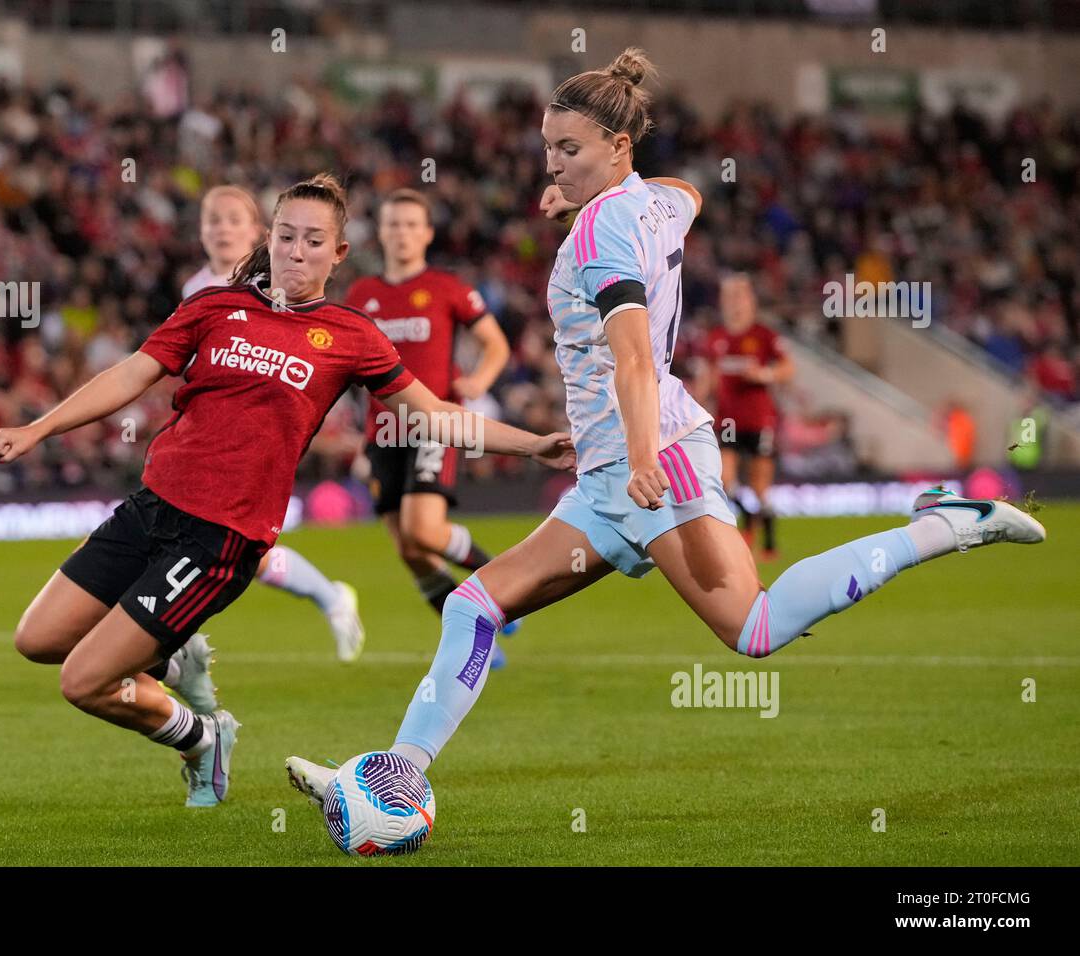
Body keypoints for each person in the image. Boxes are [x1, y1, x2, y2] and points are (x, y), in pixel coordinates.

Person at [285, 50, 1046, 809]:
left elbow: (636, 361)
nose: (553, 166)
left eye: (570, 151)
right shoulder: (654, 201)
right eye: (548, 149)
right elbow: (686, 194)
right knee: (472, 605)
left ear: (619, 148)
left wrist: (644, 455)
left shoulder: (599, 238)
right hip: (607, 478)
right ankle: (397, 777)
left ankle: (947, 525)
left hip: (655, 459)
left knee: (754, 628)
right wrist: (575, 196)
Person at [0, 174, 574, 809]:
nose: (297, 250)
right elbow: (134, 371)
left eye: (314, 240)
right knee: (37, 641)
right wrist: (39, 428)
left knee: (84, 681)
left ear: (339, 253)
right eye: (286, 235)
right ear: (269, 238)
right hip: (151, 506)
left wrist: (532, 443)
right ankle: (175, 671)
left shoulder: (349, 335)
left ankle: (202, 738)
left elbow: (435, 413)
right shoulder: (214, 307)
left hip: (222, 537)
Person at [183, 184, 366, 663]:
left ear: (259, 234)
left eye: (232, 219)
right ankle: (329, 597)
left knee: (228, 549)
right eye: (212, 219)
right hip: (206, 442)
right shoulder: (197, 290)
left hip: (259, 445)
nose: (221, 228)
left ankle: (176, 653)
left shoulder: (287, 291)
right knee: (239, 554)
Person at [345, 189, 519, 668]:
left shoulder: (447, 288)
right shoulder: (362, 295)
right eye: (392, 224)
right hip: (381, 433)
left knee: (424, 531)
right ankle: (474, 642)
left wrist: (478, 381)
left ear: (427, 233)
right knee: (409, 548)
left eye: (410, 224)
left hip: (430, 423)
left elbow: (495, 344)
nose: (401, 232)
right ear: (380, 232)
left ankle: (502, 581)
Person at [701, 273, 794, 560]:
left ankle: (768, 542)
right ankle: (748, 518)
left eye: (739, 295)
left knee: (759, 484)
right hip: (727, 421)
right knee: (725, 480)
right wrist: (697, 399)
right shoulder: (716, 337)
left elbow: (788, 368)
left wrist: (764, 374)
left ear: (750, 299)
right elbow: (710, 376)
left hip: (759, 420)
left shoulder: (764, 335)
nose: (734, 302)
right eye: (729, 296)